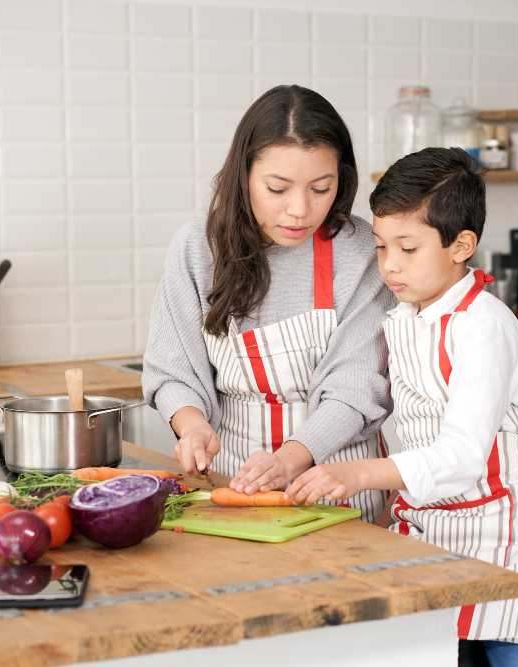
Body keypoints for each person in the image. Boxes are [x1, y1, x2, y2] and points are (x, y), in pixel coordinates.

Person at [285, 148, 518, 666]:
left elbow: (462, 456)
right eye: (381, 246)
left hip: (511, 539)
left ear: (461, 246)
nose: (389, 265)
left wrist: (359, 475)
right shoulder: (404, 317)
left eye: (408, 248)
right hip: (434, 532)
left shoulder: (483, 326)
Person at [142, 85, 393, 521]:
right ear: (244, 176)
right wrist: (191, 425)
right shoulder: (199, 248)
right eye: (278, 188)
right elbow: (172, 368)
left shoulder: (359, 251)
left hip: (339, 491)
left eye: (321, 188)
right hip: (230, 486)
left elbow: (356, 387)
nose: (300, 210)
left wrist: (290, 458)